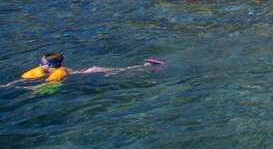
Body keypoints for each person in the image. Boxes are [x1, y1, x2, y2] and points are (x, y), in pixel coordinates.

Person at [6, 52, 164, 88]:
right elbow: (23, 79)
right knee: (120, 70)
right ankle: (147, 66)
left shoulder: (60, 72)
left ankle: (148, 66)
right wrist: (7, 85)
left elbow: (48, 85)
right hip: (87, 71)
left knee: (121, 71)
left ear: (52, 65)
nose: (39, 65)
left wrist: (30, 88)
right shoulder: (47, 71)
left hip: (92, 72)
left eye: (43, 63)